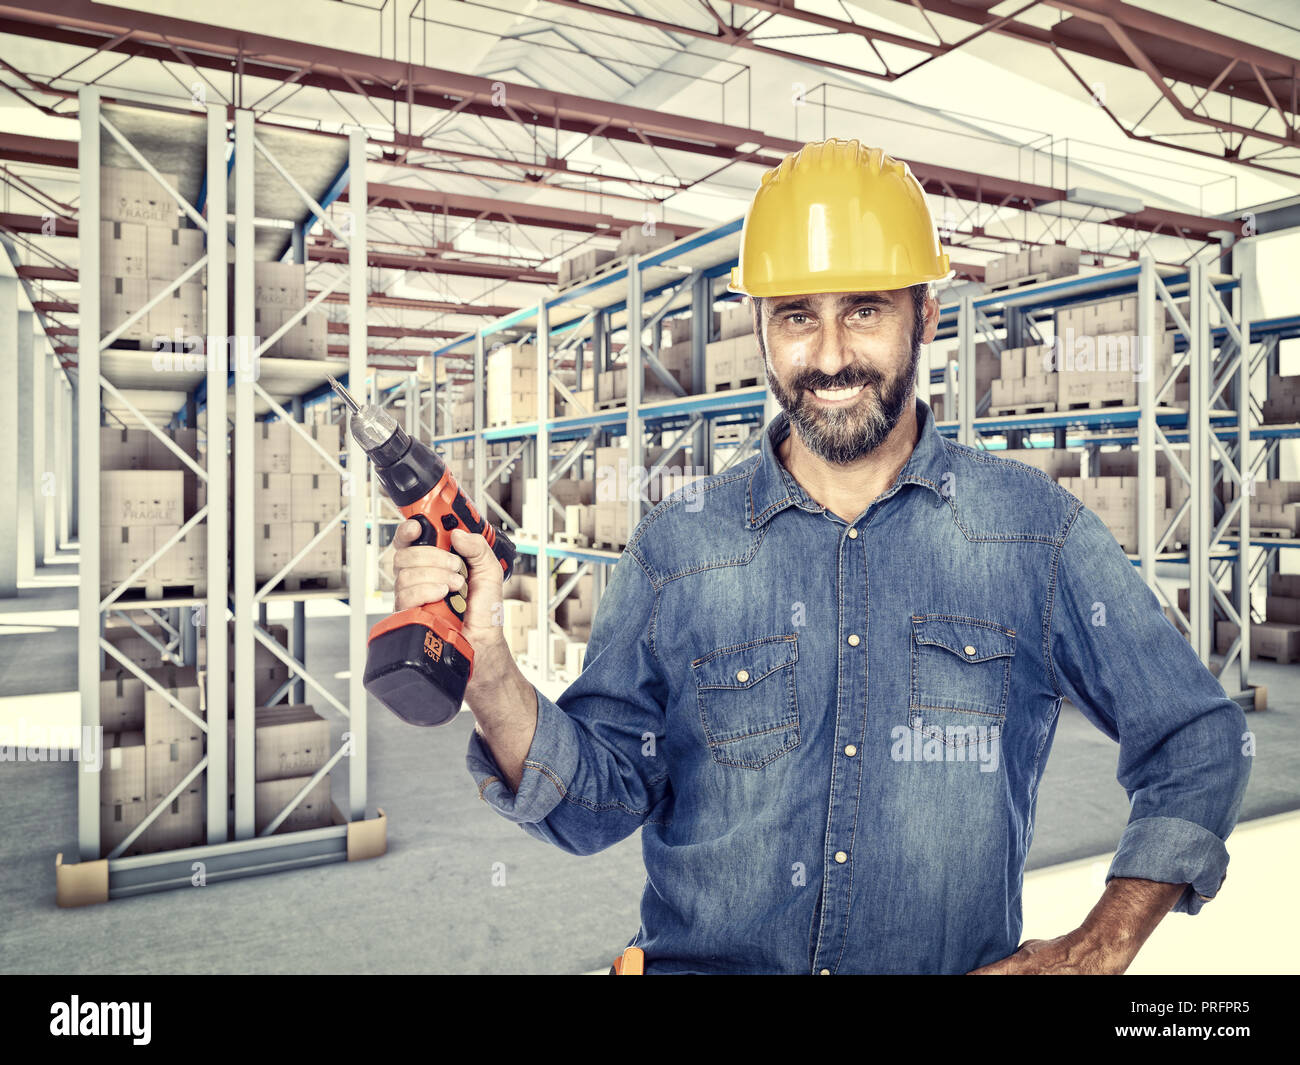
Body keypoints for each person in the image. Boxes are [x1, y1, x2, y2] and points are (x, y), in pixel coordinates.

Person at [390, 138, 1251, 975]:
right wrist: (490, 668)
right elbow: (596, 803)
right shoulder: (679, 548)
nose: (832, 355)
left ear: (928, 313)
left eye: (865, 309)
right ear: (761, 329)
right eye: (798, 316)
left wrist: (1098, 948)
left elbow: (1199, 738)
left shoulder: (1035, 535)